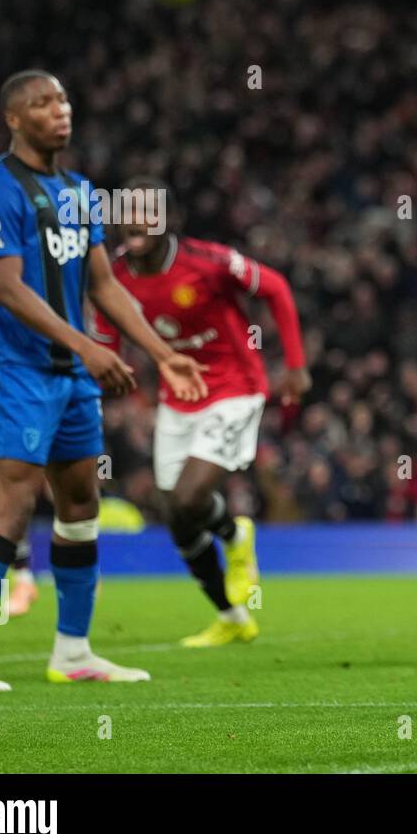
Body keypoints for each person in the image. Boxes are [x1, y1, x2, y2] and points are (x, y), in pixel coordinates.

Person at [0, 70, 207, 692]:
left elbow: (104, 284)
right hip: (17, 369)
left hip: (70, 374)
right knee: (16, 500)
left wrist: (163, 354)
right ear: (14, 119)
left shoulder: (80, 192)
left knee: (81, 504)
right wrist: (87, 345)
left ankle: (74, 651)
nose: (60, 110)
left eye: (62, 99)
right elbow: (8, 287)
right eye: (42, 103)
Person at [92, 178, 309, 647]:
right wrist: (102, 380)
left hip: (235, 388)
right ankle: (231, 616)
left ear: (169, 220)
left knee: (189, 496)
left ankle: (235, 539)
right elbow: (109, 338)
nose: (136, 220)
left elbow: (276, 288)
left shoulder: (208, 262)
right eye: (128, 211)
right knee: (175, 512)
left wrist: (294, 366)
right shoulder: (113, 276)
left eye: (148, 211)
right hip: (177, 398)